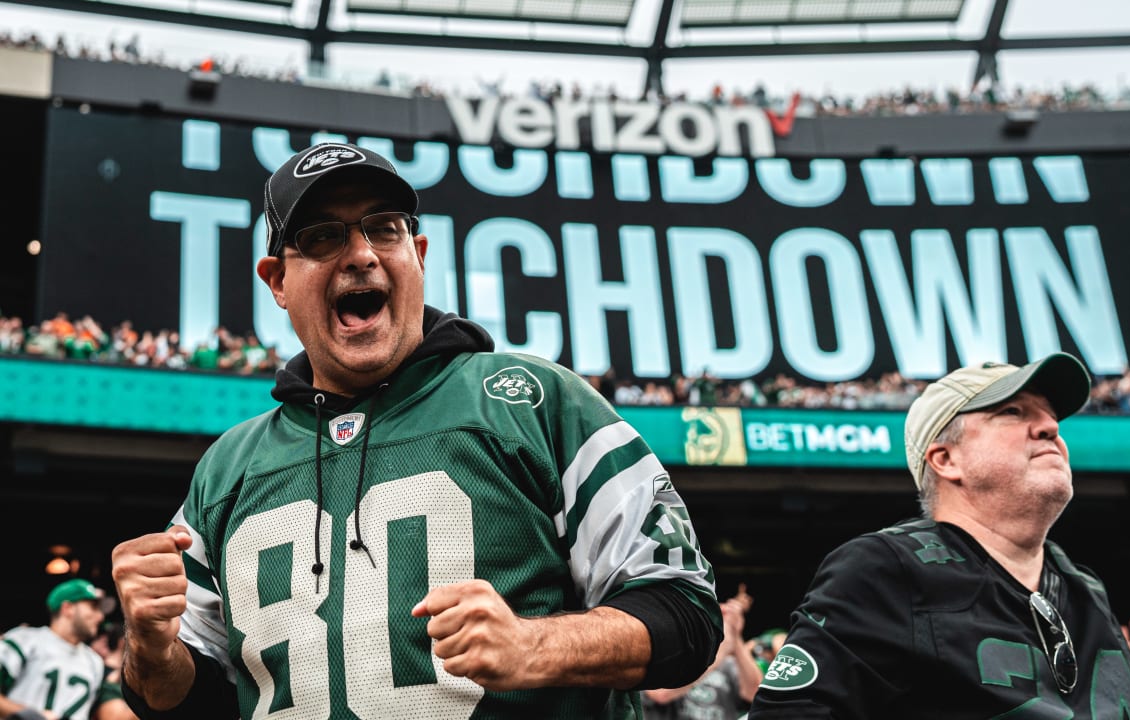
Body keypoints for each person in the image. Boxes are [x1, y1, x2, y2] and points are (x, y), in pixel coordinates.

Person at [110, 141, 722, 719]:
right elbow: (187, 701)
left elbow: (684, 611)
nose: (362, 254)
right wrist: (151, 649)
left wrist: (532, 646)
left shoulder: (536, 402)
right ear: (276, 281)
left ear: (418, 255)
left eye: (384, 228)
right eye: (323, 237)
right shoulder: (228, 467)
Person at [748, 353, 1130, 717]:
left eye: (1049, 416)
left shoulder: (1086, 588)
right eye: (1012, 412)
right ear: (946, 458)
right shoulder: (884, 567)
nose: (1050, 427)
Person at [642, 584, 762, 720]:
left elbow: (756, 694)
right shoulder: (670, 654)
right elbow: (660, 694)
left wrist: (735, 634)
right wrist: (718, 654)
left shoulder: (728, 664)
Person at [0, 578, 111, 720]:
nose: (100, 616)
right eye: (93, 607)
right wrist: (30, 716)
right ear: (67, 608)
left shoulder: (94, 661)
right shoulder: (25, 641)